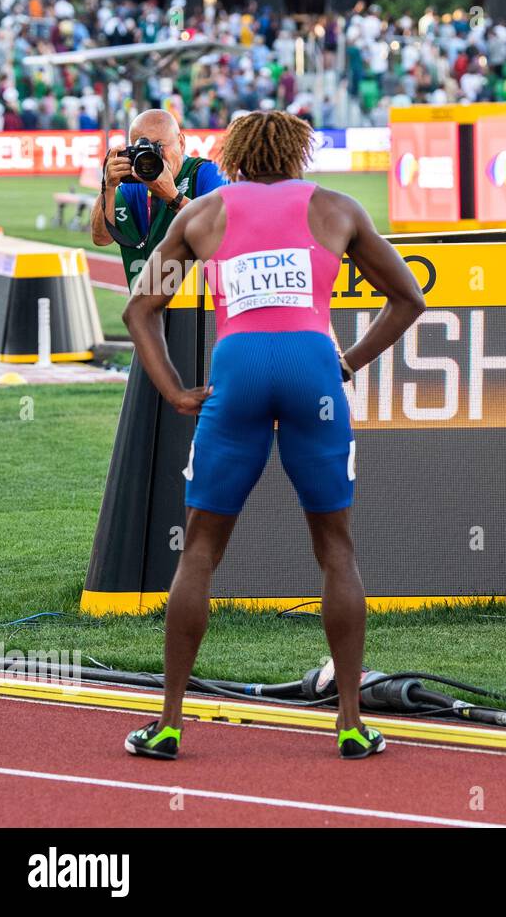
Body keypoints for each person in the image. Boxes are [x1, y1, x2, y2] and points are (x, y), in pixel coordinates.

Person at [119, 111, 427, 760]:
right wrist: (348, 362)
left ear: (232, 156)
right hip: (312, 367)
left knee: (199, 550)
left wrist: (176, 390)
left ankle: (170, 722)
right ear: (299, 154)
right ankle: (349, 722)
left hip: (239, 367)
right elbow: (408, 298)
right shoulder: (336, 208)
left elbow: (140, 309)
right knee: (335, 550)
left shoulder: (204, 214)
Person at [91, 109, 229, 289]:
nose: (154, 156)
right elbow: (101, 238)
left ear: (181, 142)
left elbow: (221, 232)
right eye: (142, 149)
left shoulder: (204, 173)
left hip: (199, 308)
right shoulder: (131, 187)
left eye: (159, 146)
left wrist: (172, 196)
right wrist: (108, 187)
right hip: (148, 308)